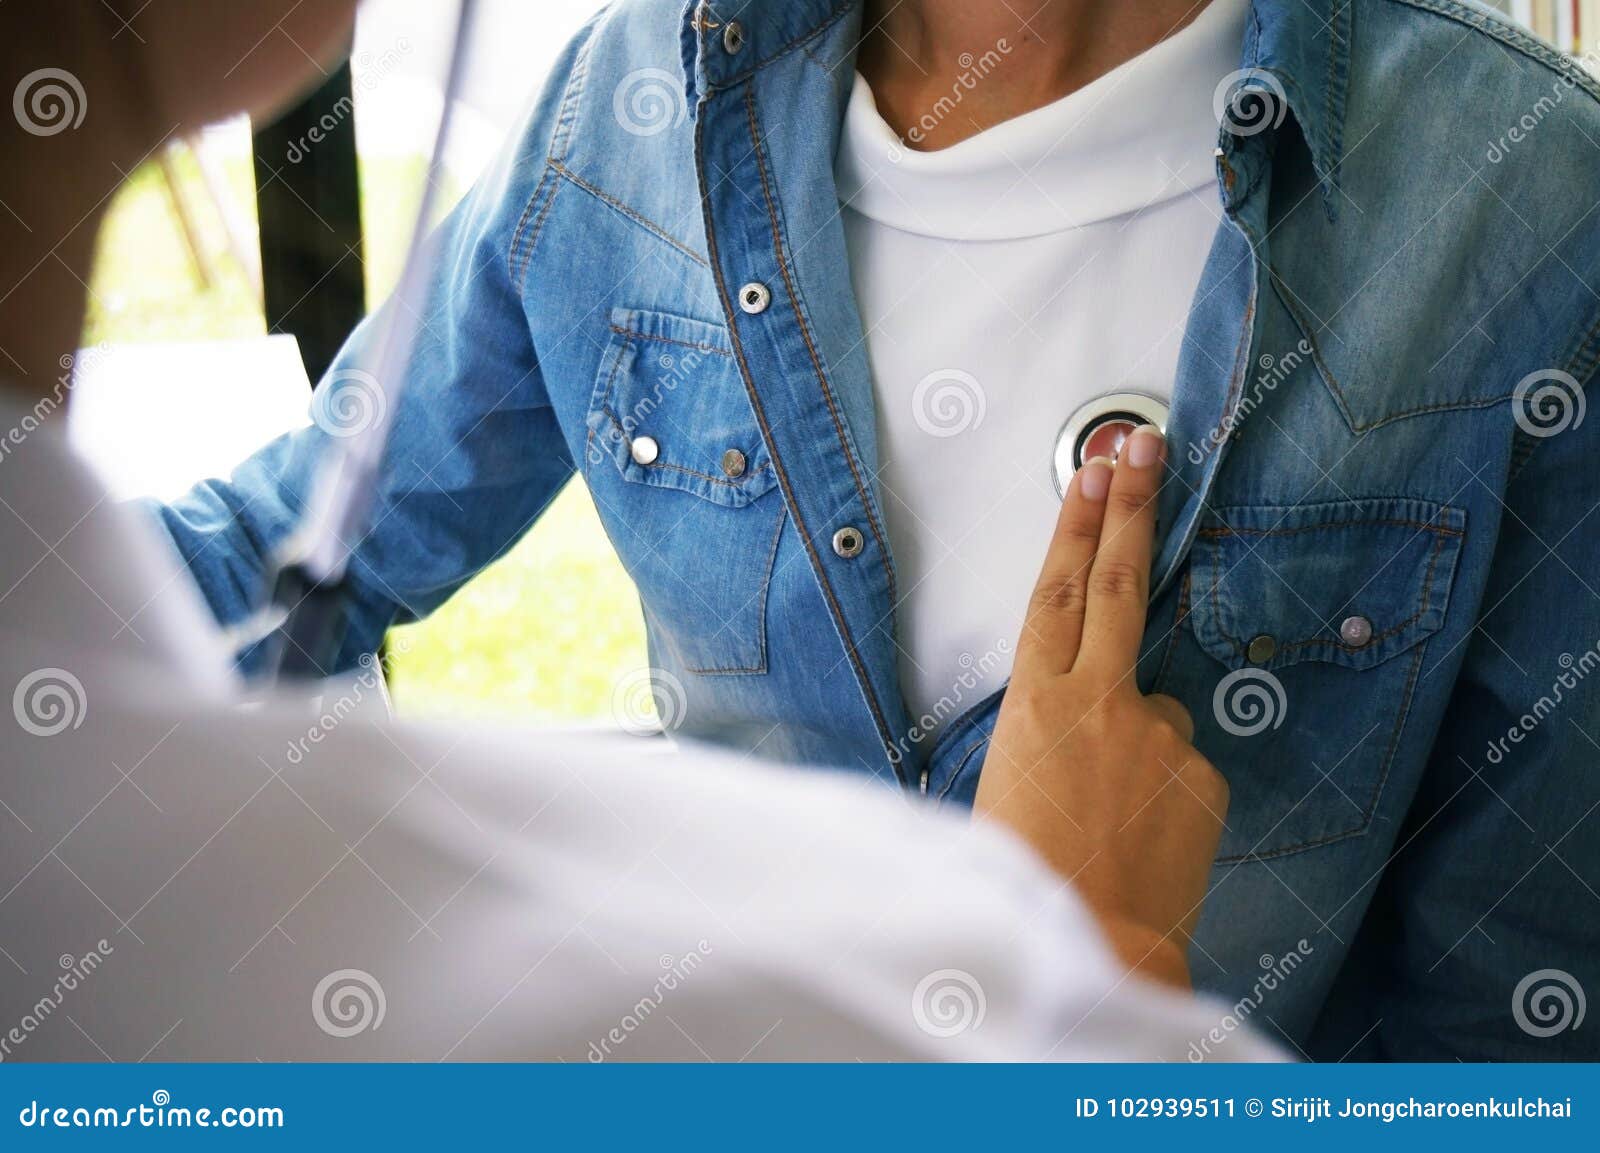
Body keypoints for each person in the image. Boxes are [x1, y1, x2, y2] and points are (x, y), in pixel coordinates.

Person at [98, 0, 1600, 1056]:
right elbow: (272, 562)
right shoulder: (623, 110)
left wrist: (1097, 1006)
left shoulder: (1528, 199)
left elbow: (1516, 1049)